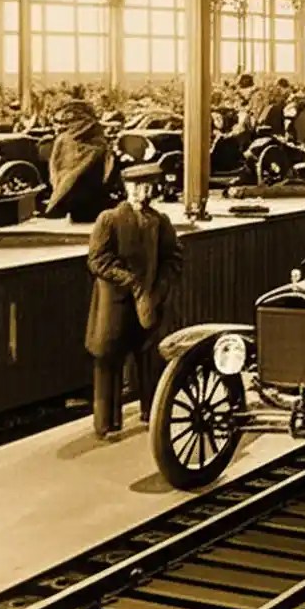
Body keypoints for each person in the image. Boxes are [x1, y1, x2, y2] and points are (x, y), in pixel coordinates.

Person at [85, 163, 184, 439]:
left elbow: (173, 258)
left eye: (149, 186)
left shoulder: (159, 221)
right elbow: (97, 260)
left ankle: (151, 412)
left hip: (147, 302)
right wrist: (131, 281)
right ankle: (106, 424)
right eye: (138, 186)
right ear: (127, 188)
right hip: (114, 304)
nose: (144, 192)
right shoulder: (110, 219)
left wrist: (159, 287)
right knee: (108, 362)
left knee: (149, 359)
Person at [45, 99, 120, 223]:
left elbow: (55, 167)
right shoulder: (95, 140)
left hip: (75, 200)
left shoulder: (63, 139)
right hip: (88, 202)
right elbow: (106, 173)